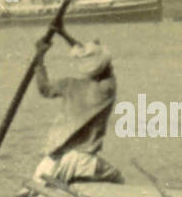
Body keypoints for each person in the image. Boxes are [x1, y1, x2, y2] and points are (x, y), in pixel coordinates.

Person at [31, 36, 123, 185]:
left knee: (29, 195)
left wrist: (40, 56)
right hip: (84, 161)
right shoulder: (107, 89)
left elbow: (44, 88)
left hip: (53, 158)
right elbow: (95, 61)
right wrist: (66, 36)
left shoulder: (69, 85)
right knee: (118, 179)